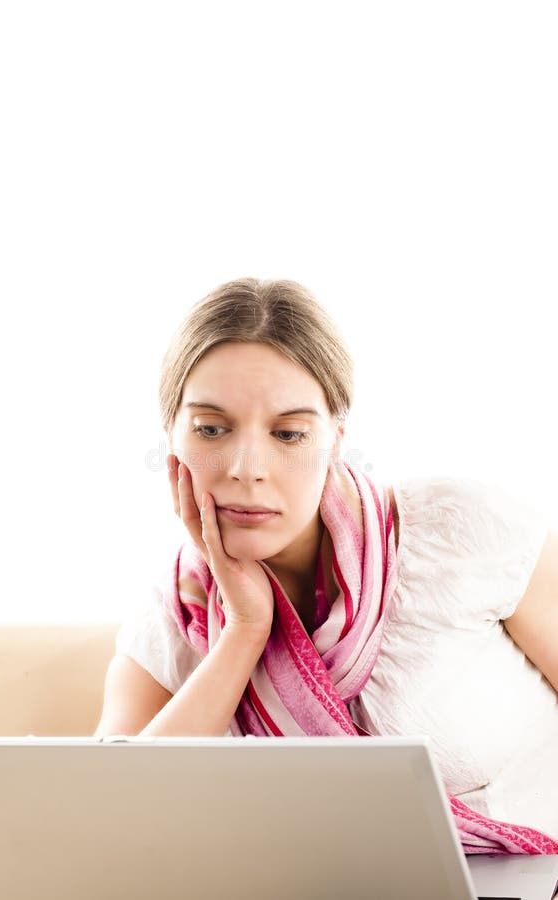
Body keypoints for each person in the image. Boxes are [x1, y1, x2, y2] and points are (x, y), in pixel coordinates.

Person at [95, 277, 558, 854]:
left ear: (335, 442)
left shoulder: (459, 532)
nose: (246, 467)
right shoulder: (175, 612)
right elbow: (112, 823)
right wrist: (243, 632)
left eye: (289, 433)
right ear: (172, 441)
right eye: (211, 429)